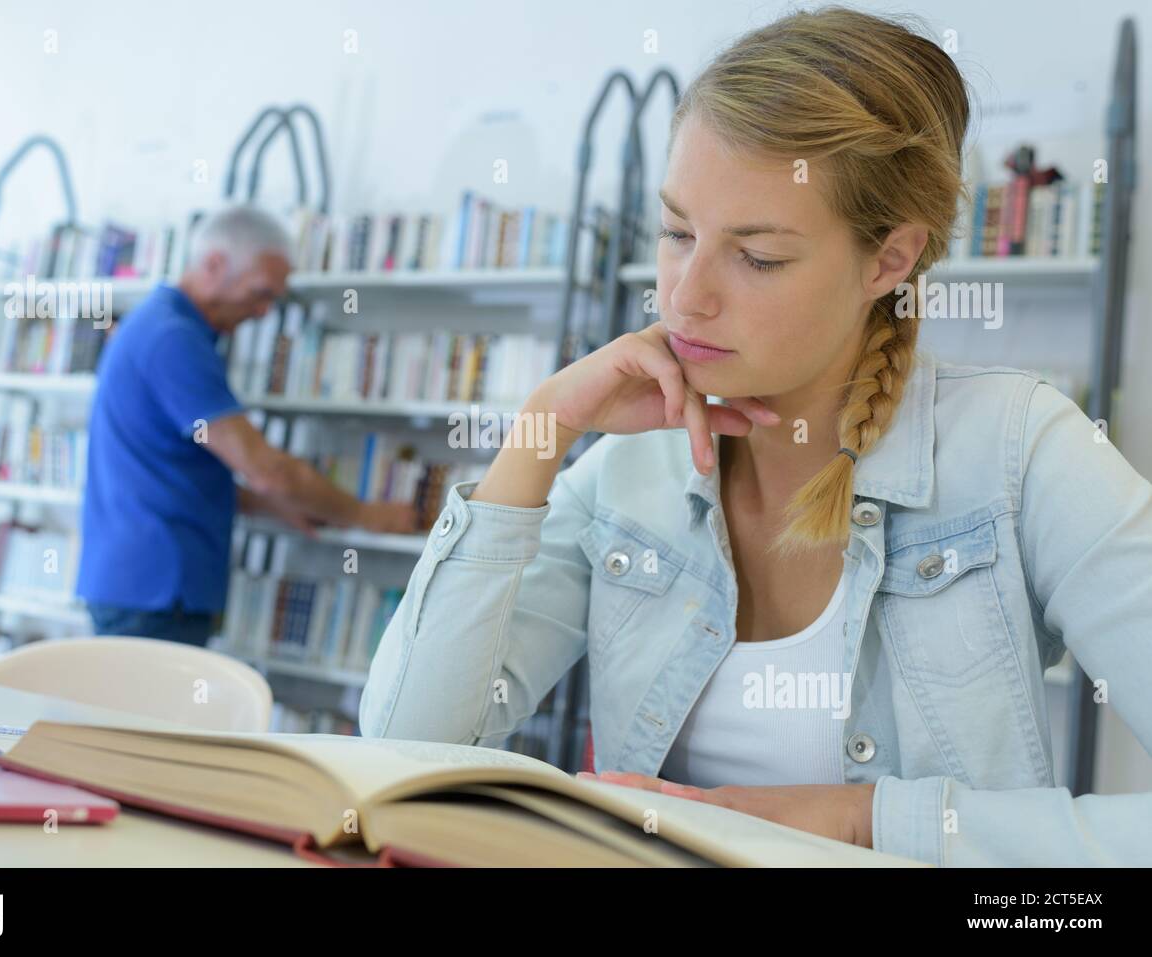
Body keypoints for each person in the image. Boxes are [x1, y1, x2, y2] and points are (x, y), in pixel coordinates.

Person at [359, 7, 1152, 866]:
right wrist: (540, 433)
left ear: (889, 259)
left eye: (759, 256)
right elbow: (402, 752)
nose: (684, 297)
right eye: (675, 233)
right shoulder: (628, 473)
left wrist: (864, 821)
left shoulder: (1019, 452)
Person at [77, 204, 417, 647]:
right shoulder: (173, 340)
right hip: (155, 592)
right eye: (260, 293)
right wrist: (367, 515)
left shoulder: (158, 327)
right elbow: (267, 469)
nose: (262, 312)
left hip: (143, 586)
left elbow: (179, 471)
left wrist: (277, 507)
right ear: (215, 264)